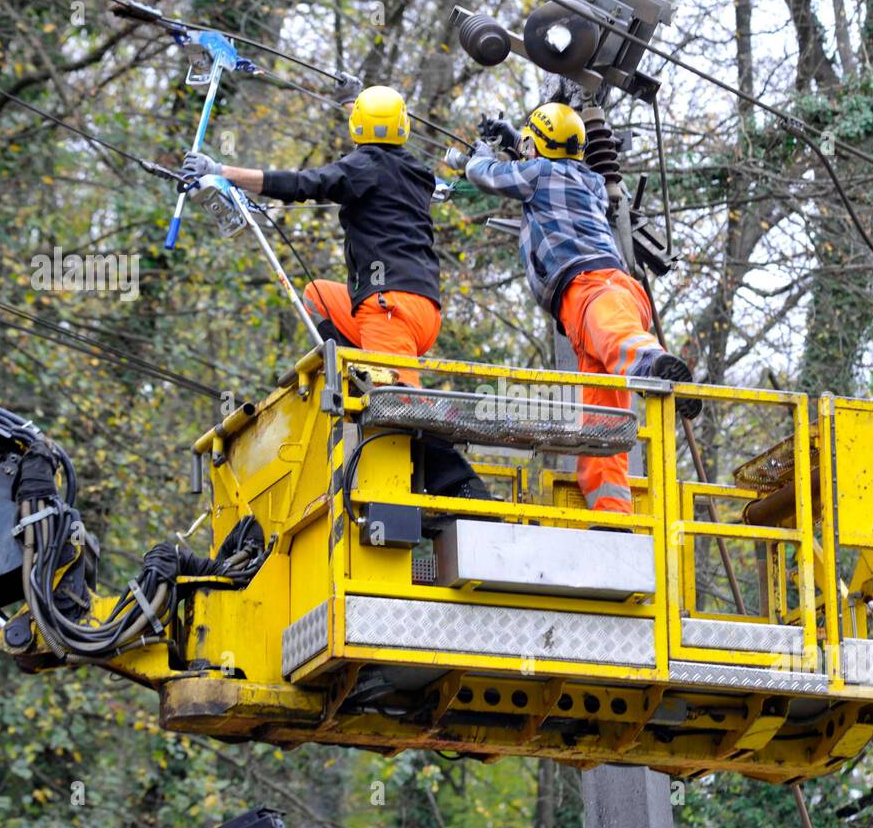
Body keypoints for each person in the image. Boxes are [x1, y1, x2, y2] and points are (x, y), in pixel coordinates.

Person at [180, 85, 491, 503]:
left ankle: (466, 488)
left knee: (399, 406)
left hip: (389, 309)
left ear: (356, 128)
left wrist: (224, 171)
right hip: (415, 307)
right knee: (318, 297)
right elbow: (370, 152)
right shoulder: (416, 172)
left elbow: (303, 183)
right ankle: (359, 374)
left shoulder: (364, 165)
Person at [456, 102, 701, 515]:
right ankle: (611, 516)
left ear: (536, 146)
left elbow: (486, 175)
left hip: (595, 287)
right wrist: (513, 136)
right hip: (599, 296)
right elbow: (547, 154)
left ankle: (653, 367)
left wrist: (482, 151)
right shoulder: (585, 178)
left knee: (618, 337)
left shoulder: (539, 173)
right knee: (601, 423)